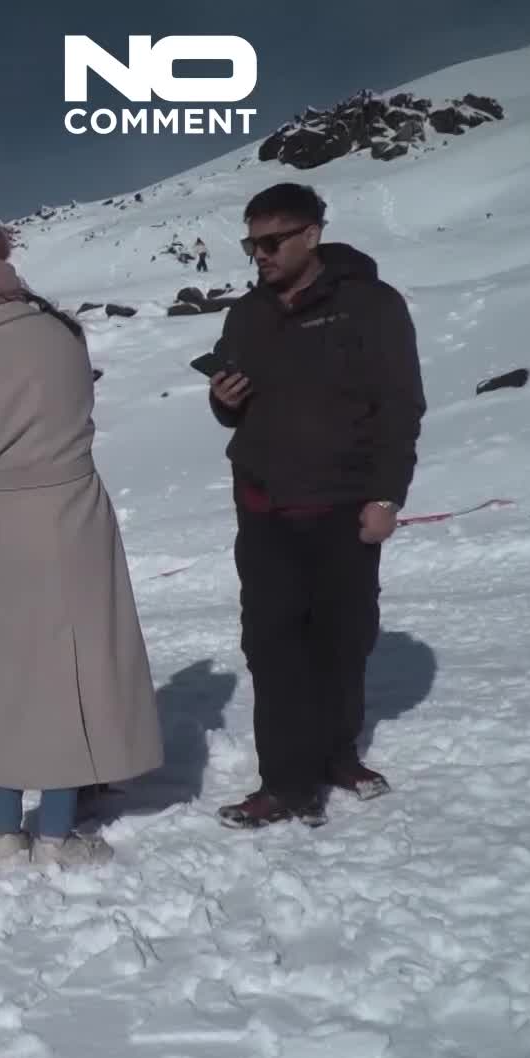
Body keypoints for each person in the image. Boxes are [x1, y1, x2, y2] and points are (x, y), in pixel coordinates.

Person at [0, 227, 164, 869]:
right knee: (72, 668)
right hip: (76, 511)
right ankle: (59, 830)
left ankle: (8, 832)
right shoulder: (68, 339)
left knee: (10, 675)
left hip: (1, 526)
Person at [204, 182, 426, 828]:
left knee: (343, 638)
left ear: (312, 234)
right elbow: (228, 408)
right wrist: (225, 397)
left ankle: (336, 754)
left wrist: (387, 496)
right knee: (271, 644)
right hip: (265, 507)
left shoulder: (371, 306)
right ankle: (284, 783)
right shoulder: (246, 315)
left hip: (341, 505)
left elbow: (400, 407)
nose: (260, 255)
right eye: (252, 244)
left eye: (271, 242)